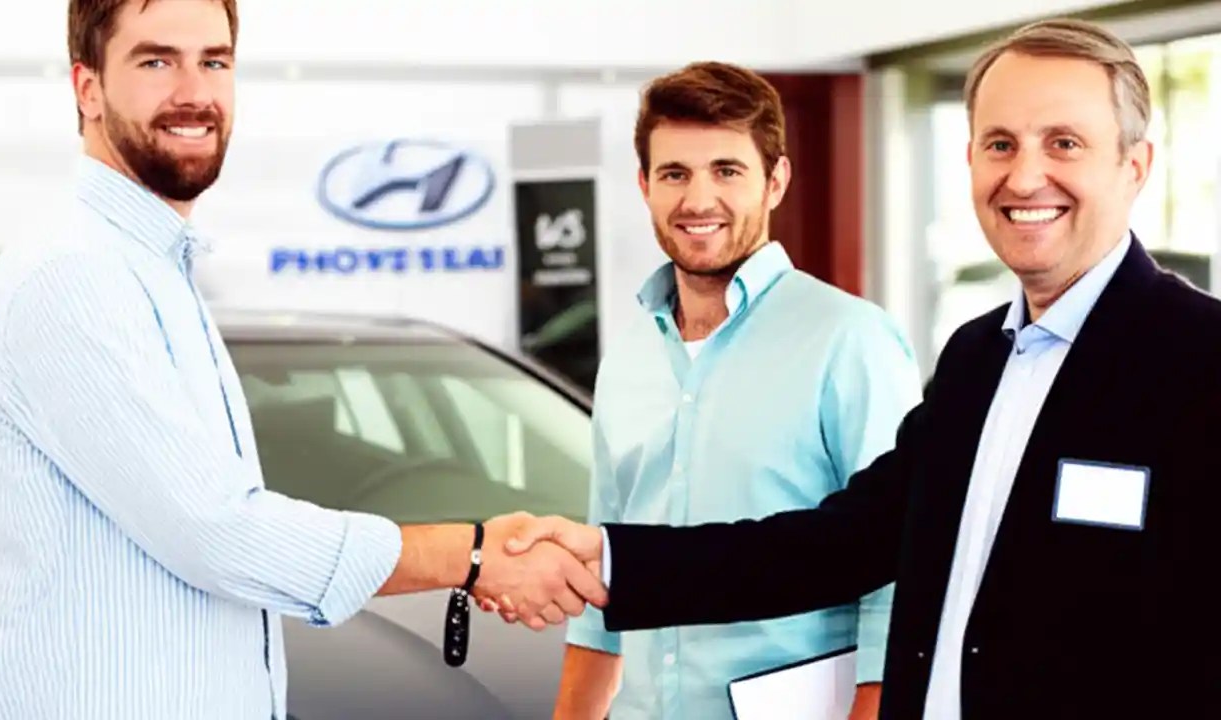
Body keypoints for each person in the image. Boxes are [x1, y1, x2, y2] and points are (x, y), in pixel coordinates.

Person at [499, 18, 1221, 719]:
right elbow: (833, 546)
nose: (1025, 175)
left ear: (1135, 166)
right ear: (970, 161)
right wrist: (609, 556)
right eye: (1000, 144)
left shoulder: (1200, 359)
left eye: (1064, 143)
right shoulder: (976, 359)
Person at [0, 2, 603, 719]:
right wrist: (473, 552)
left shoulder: (153, 274)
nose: (194, 93)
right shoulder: (72, 276)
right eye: (155, 61)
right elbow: (218, 531)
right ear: (87, 88)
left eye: (215, 61)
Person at [532, 61, 921, 720]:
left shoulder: (850, 339)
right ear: (644, 186)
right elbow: (601, 585)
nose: (698, 199)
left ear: (776, 181)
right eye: (674, 174)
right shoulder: (627, 356)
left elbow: (901, 571)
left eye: (727, 171)